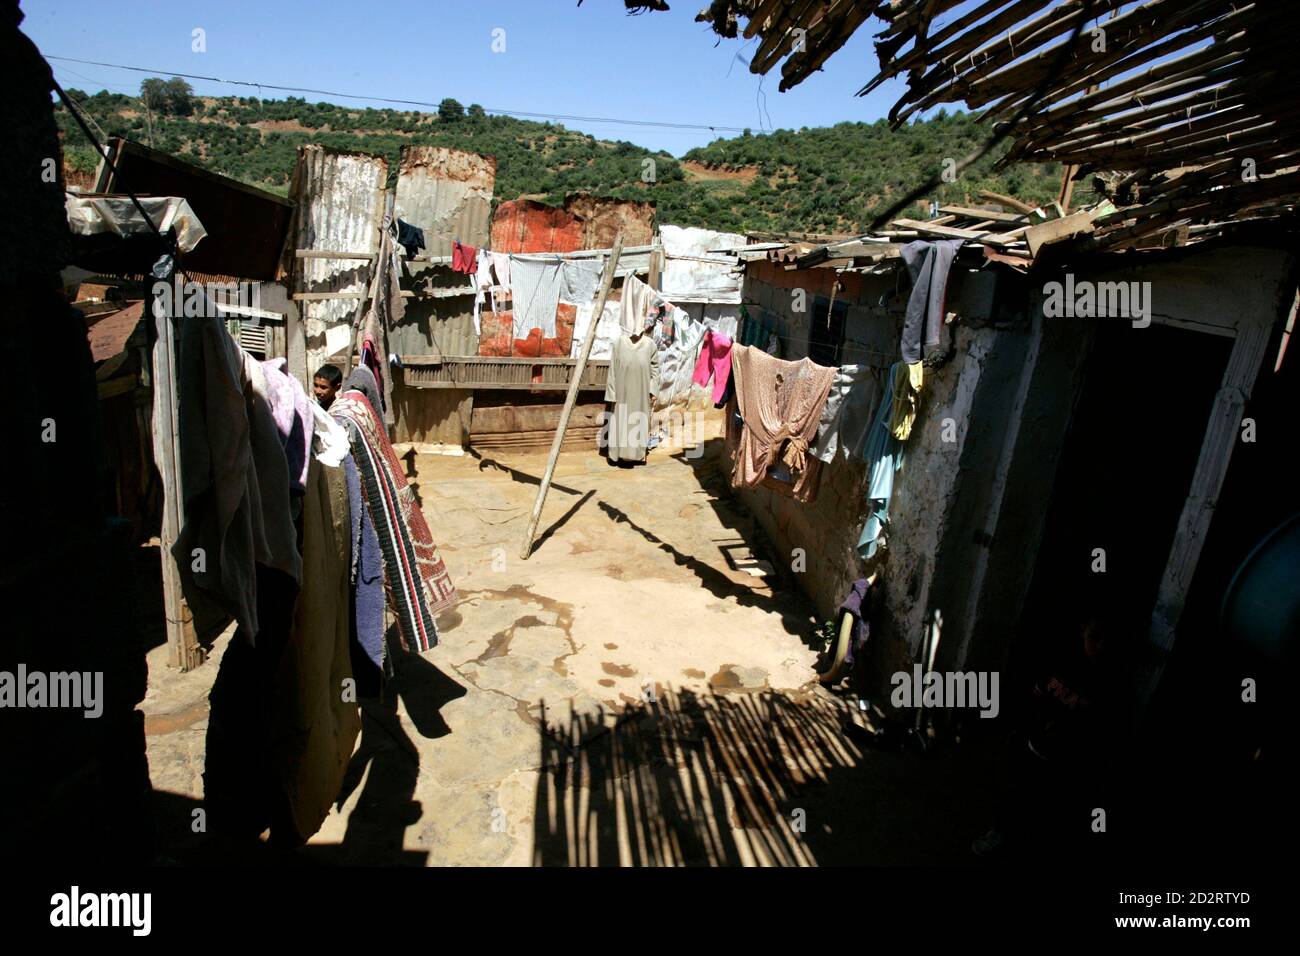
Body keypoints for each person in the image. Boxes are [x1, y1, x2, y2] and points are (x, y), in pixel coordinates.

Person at [972, 613, 1126, 859]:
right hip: (1035, 743)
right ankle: (1000, 832)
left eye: (1105, 640)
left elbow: (1097, 733)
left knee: (1042, 808)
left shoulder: (1107, 684)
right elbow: (1036, 697)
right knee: (1012, 792)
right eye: (1094, 637)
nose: (1099, 646)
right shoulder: (1061, 662)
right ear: (1082, 630)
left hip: (1064, 760)